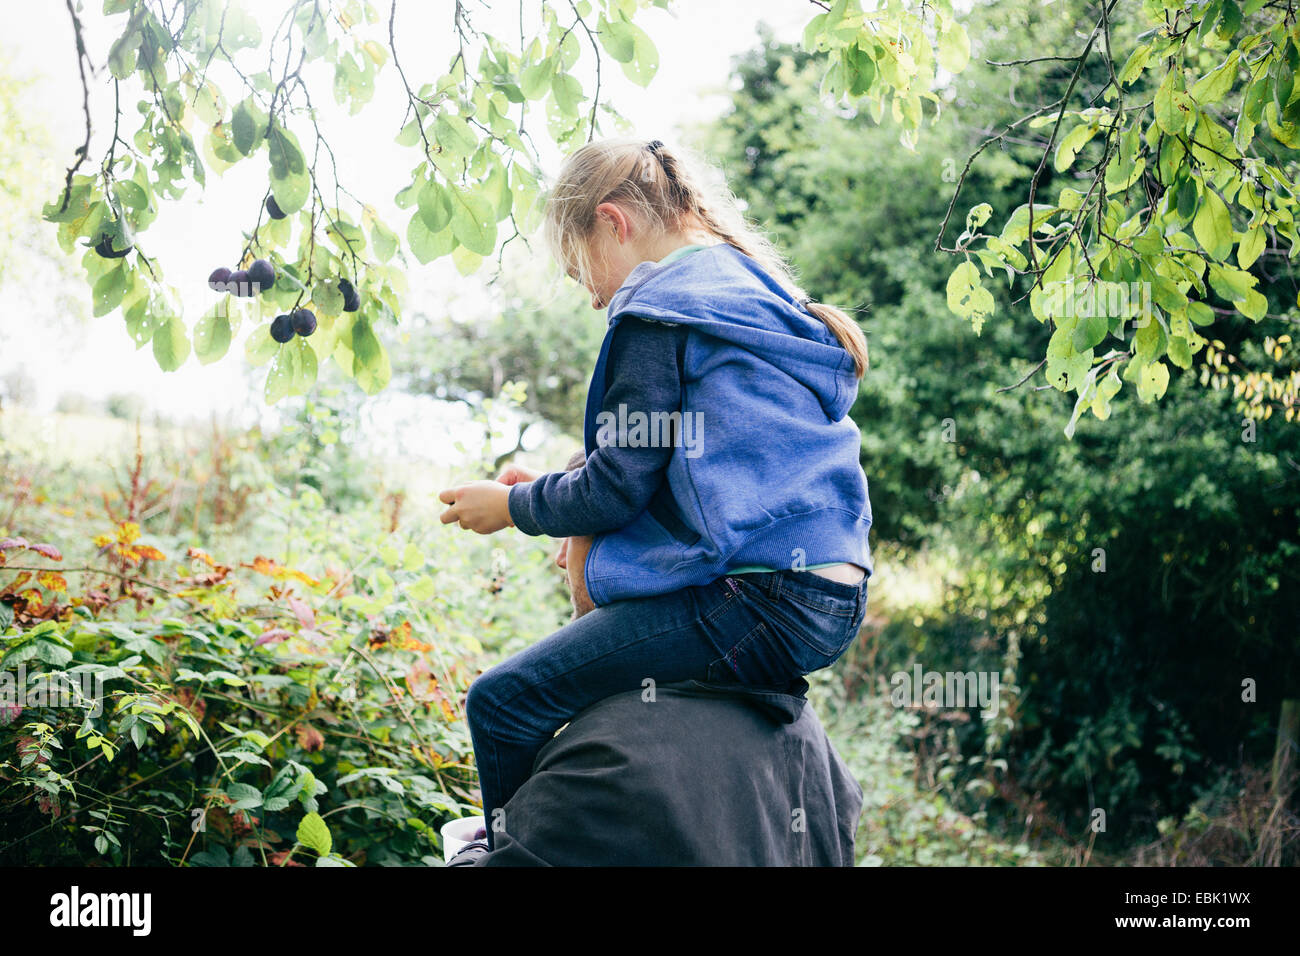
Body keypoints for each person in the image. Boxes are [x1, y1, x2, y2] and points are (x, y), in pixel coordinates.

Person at [438, 137, 874, 851]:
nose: (593, 295)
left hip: (756, 600)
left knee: (503, 701)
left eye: (583, 270)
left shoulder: (658, 308)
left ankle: (507, 855)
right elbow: (691, 471)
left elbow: (617, 489)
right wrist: (557, 486)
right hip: (832, 595)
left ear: (614, 222)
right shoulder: (756, 293)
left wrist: (513, 509)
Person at [446, 452, 864, 866]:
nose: (560, 557)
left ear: (642, 554)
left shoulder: (601, 757)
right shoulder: (814, 750)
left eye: (574, 534)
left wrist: (475, 852)